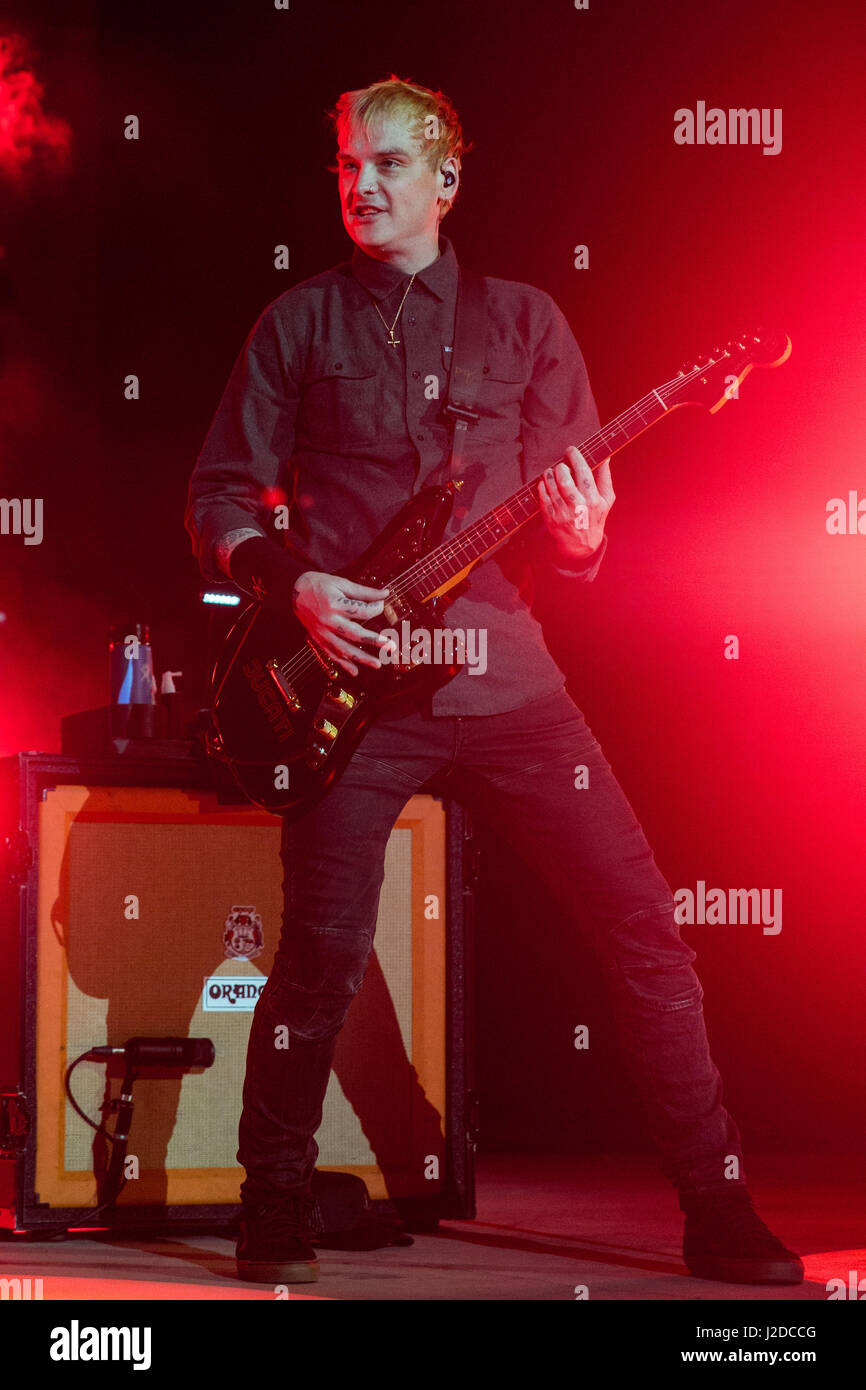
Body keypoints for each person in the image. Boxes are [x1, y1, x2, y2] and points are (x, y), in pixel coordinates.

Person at [185, 75, 803, 1290]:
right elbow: (215, 498)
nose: (363, 185)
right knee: (317, 952)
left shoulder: (527, 324)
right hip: (351, 688)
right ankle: (271, 1195)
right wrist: (296, 583)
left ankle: (716, 1203)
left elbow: (575, 541)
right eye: (349, 166)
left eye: (391, 164)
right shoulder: (295, 323)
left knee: (645, 933)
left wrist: (577, 539)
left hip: (508, 681)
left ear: (447, 179)